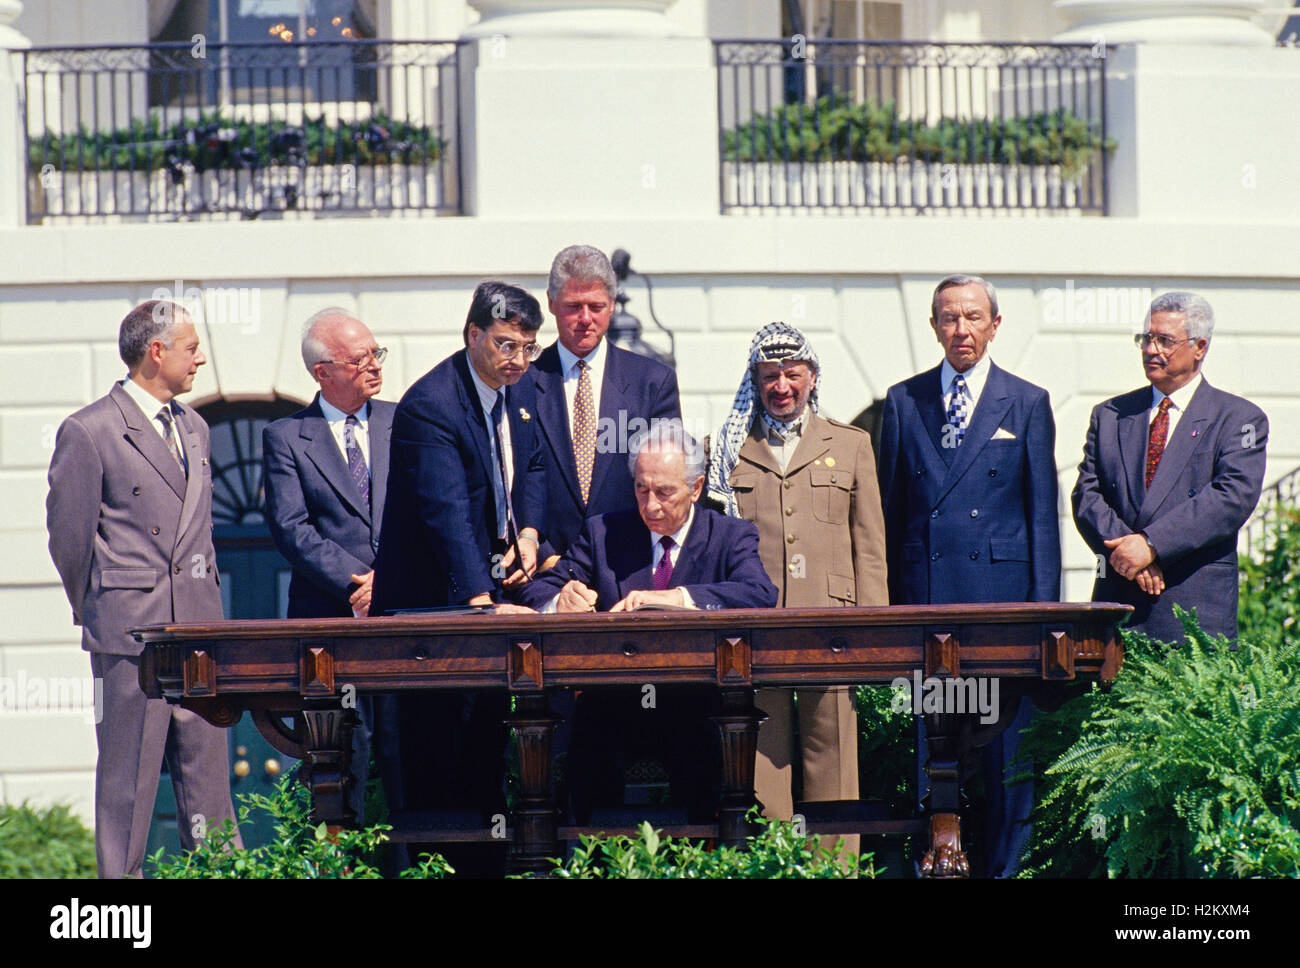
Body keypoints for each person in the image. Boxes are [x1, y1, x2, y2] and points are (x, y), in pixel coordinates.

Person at [46, 300, 241, 878]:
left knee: (209, 784)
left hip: (199, 630)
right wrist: (104, 609)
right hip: (131, 634)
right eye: (191, 346)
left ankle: (219, 876)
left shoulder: (196, 427)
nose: (200, 358)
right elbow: (70, 540)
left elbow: (199, 532)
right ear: (157, 352)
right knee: (127, 783)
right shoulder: (89, 429)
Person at [876, 274, 1060, 878]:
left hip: (1003, 611)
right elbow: (890, 512)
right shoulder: (904, 401)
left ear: (995, 325)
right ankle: (938, 866)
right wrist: (893, 610)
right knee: (938, 756)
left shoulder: (1027, 402)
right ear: (933, 327)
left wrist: (1043, 620)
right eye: (950, 318)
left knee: (1009, 760)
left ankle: (1007, 872)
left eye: (974, 317)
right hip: (930, 609)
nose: (962, 329)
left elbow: (1042, 519)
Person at [520, 420, 777, 822]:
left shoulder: (730, 535)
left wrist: (677, 599)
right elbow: (536, 592)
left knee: (709, 766)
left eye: (665, 492)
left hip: (694, 699)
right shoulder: (604, 532)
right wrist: (559, 601)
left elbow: (760, 594)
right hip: (612, 697)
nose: (651, 505)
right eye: (642, 489)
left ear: (696, 488)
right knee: (583, 768)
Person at [369, 282, 544, 862]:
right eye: (505, 345)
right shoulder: (431, 405)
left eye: (527, 346)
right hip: (432, 615)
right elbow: (447, 517)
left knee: (486, 760)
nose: (517, 359)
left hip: (486, 604)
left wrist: (529, 532)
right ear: (473, 335)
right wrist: (482, 606)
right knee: (435, 771)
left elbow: (536, 466)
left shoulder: (518, 395)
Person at [706, 322, 888, 856]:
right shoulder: (729, 450)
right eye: (769, 375)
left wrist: (872, 634)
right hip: (756, 634)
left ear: (812, 377)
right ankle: (775, 868)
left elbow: (870, 548)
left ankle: (835, 872)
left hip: (832, 629)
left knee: (832, 766)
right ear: (755, 380)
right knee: (763, 771)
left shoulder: (851, 445)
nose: (781, 385)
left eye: (792, 373)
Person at [1072, 291, 1267, 644]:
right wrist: (1129, 555)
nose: (1150, 350)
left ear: (1200, 347)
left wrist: (1152, 544)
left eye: (1165, 340)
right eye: (1146, 339)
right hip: (1119, 601)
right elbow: (1087, 495)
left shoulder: (1238, 418)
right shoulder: (1111, 415)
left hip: (1192, 607)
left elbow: (1231, 498)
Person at [262, 308, 394, 822]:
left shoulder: (400, 422)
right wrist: (359, 583)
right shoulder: (287, 437)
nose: (375, 366)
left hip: (403, 618)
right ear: (323, 372)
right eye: (361, 359)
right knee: (342, 760)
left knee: (404, 755)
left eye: (376, 354)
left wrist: (392, 581)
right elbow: (292, 528)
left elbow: (428, 511)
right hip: (331, 623)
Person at [526, 244, 681, 564]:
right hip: (545, 573)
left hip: (629, 570)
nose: (585, 319)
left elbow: (669, 481)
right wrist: (543, 555)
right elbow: (512, 480)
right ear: (551, 304)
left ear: (612, 305)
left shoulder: (653, 383)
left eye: (596, 306)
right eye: (573, 306)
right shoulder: (523, 382)